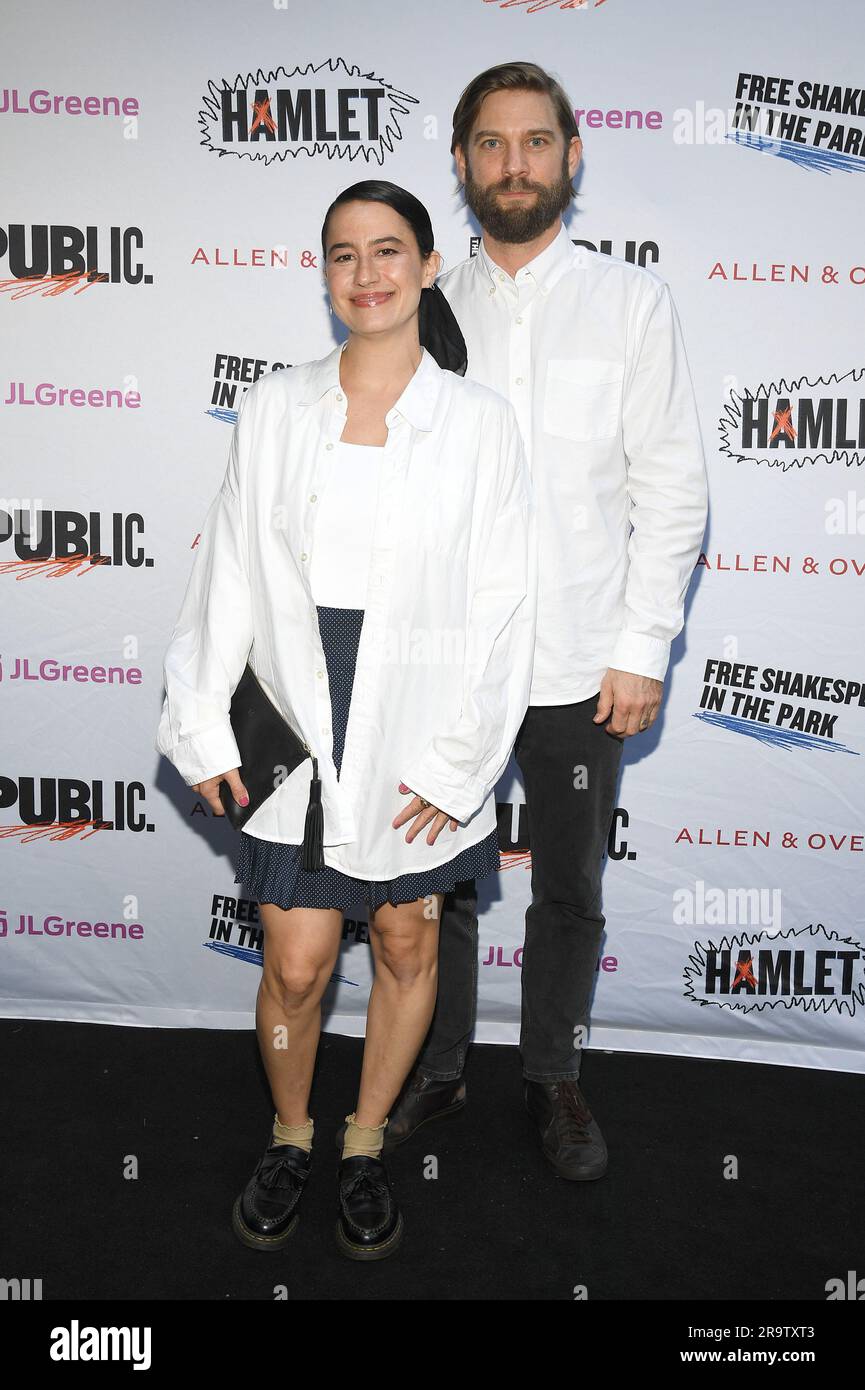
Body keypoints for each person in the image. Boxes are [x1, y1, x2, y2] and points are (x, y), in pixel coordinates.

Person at [154, 179, 537, 1258]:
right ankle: (291, 1135)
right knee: (297, 963)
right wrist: (202, 722)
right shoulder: (275, 407)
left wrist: (462, 763)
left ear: (427, 264)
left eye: (388, 250)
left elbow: (505, 604)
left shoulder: (479, 424)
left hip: (421, 711)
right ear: (324, 274)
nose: (366, 274)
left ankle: (364, 1143)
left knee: (408, 941)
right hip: (293, 710)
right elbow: (229, 572)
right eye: (343, 254)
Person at [379, 62, 709, 1181]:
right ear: (460, 162)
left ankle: (553, 1074)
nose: (512, 163)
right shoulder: (423, 308)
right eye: (490, 143)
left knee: (569, 885)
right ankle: (435, 1067)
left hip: (580, 658)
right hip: (446, 660)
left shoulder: (630, 302)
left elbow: (670, 488)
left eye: (533, 141)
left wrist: (641, 646)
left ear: (571, 155)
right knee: (438, 882)